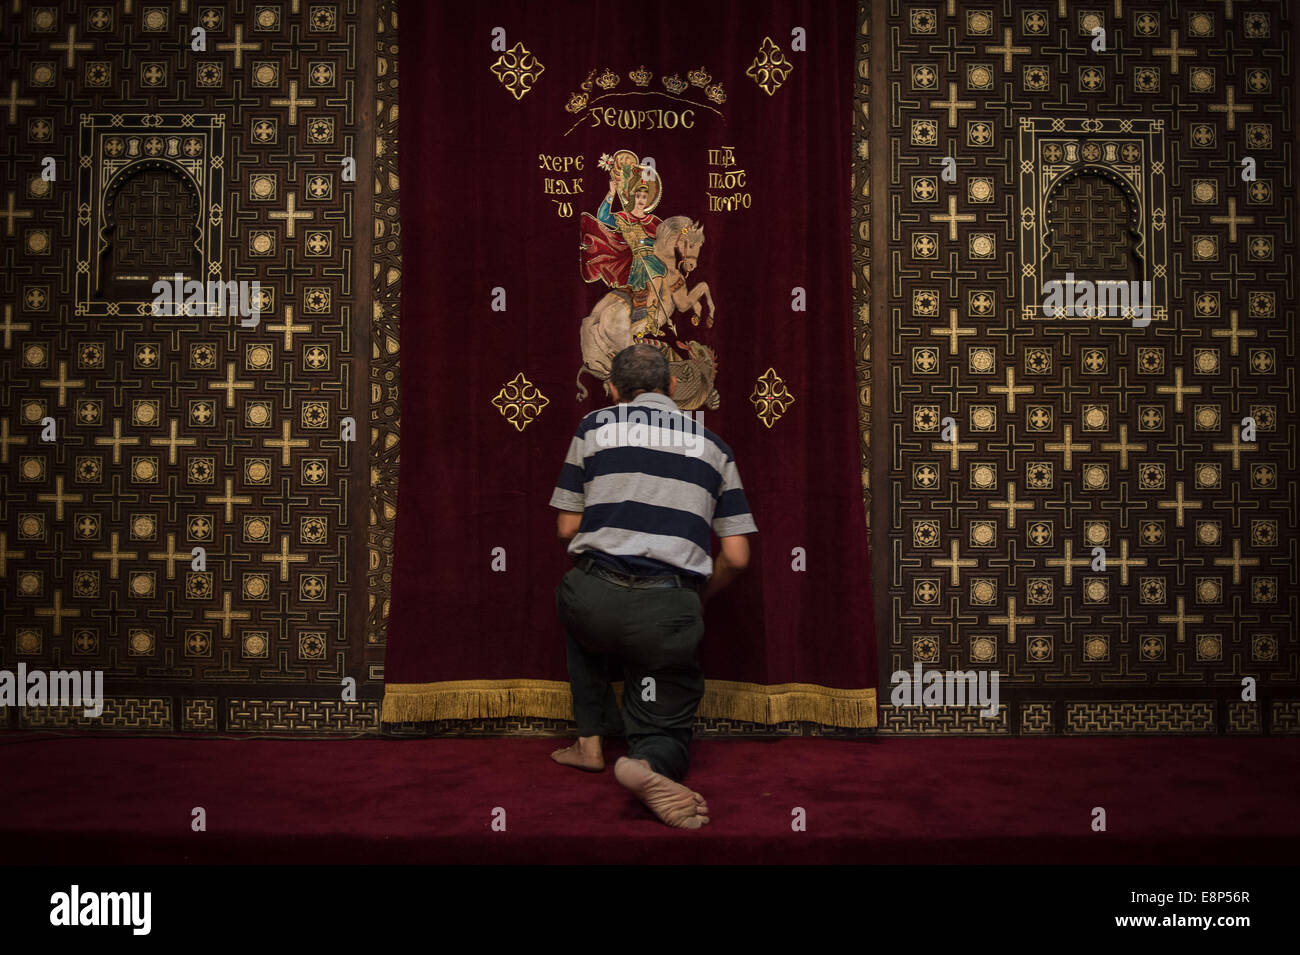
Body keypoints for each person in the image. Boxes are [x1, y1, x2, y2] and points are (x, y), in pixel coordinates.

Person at [548, 344, 757, 829]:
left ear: (614, 391)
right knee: (664, 724)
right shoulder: (715, 446)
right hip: (668, 608)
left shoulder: (594, 427)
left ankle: (590, 742)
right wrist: (695, 597)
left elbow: (565, 529)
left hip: (593, 600)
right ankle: (646, 764)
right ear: (670, 389)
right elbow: (738, 557)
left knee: (574, 596)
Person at [578, 166, 667, 292]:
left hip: (654, 259)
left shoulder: (654, 221)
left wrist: (643, 242)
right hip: (638, 262)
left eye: (644, 197)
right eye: (638, 196)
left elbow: (664, 241)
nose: (641, 200)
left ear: (648, 200)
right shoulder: (624, 217)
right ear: (633, 197)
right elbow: (603, 217)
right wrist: (612, 193)